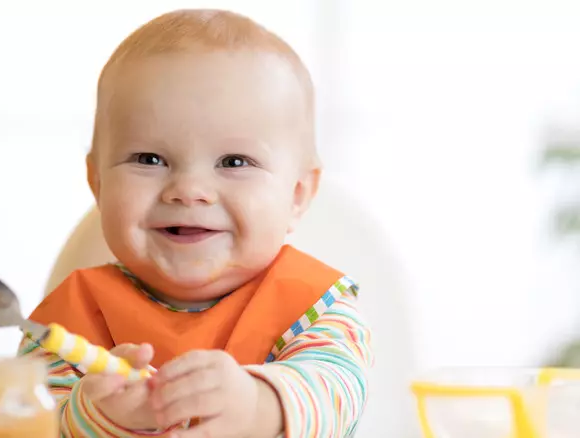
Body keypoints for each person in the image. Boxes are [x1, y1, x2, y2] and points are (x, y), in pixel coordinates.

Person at [19, 8, 373, 438]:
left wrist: (258, 406)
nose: (189, 190)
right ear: (98, 183)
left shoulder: (315, 308)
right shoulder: (67, 322)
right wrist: (95, 418)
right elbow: (28, 420)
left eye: (234, 161)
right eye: (149, 159)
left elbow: (337, 393)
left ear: (297, 195)